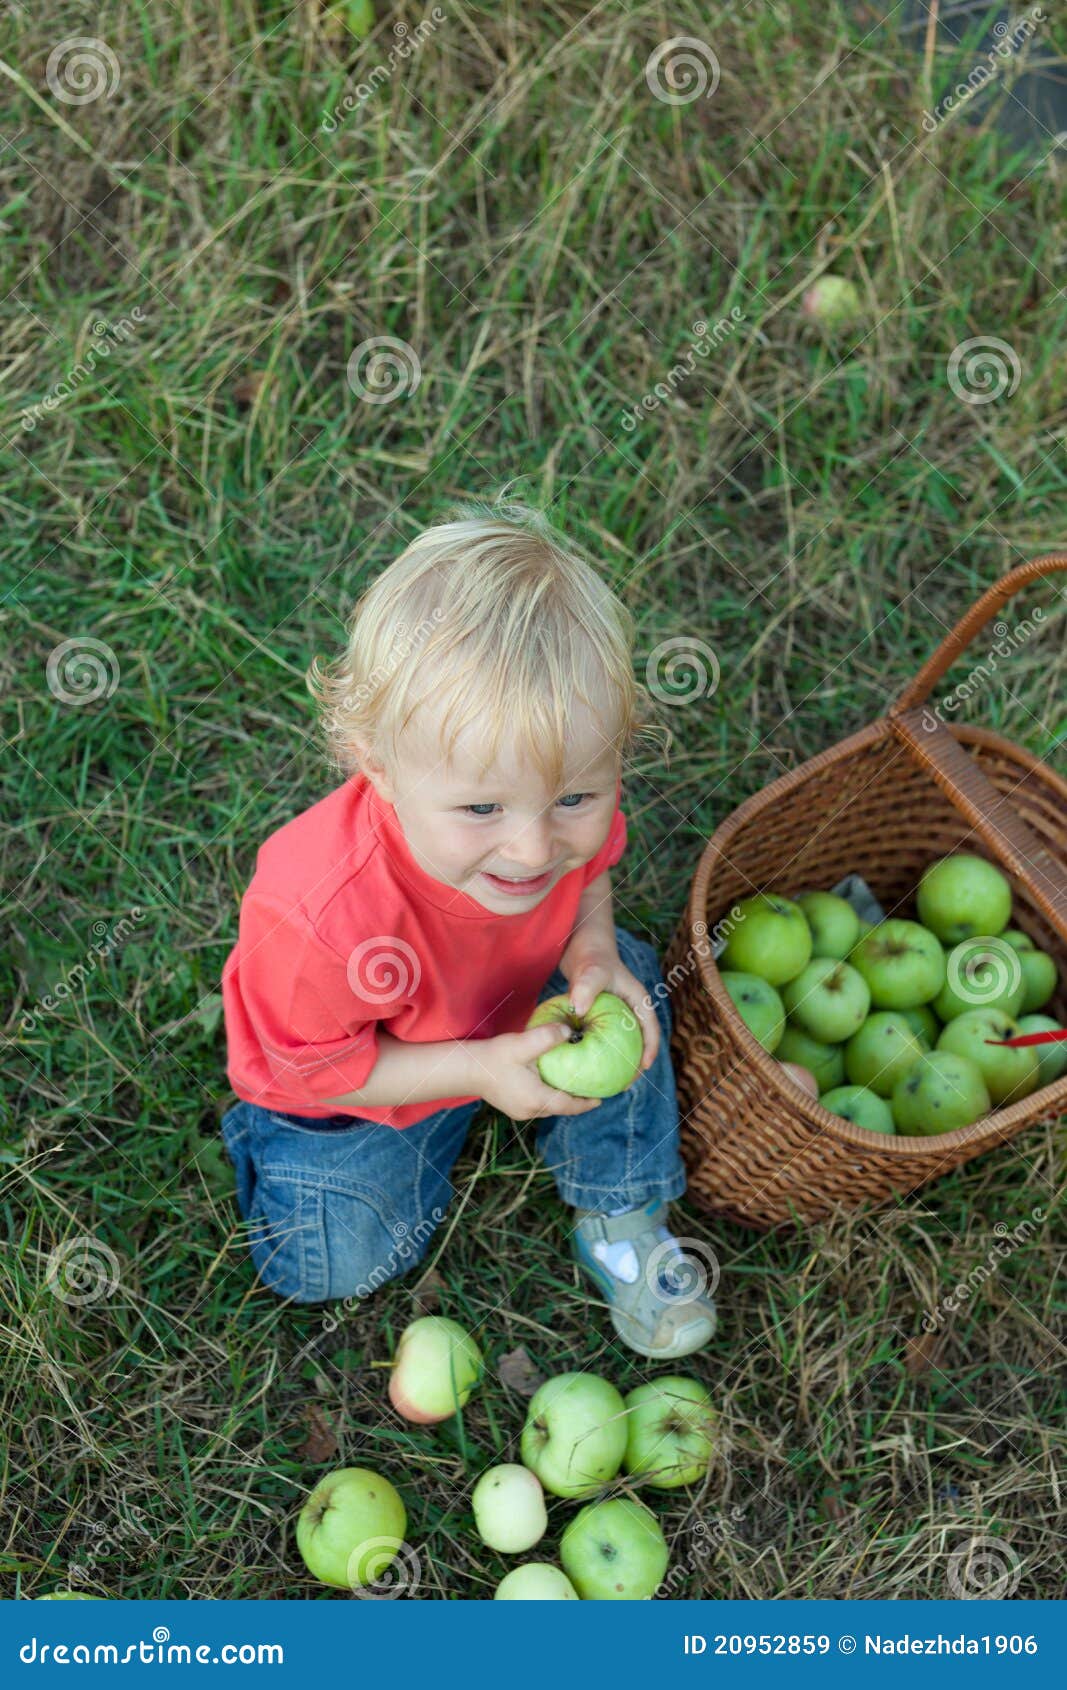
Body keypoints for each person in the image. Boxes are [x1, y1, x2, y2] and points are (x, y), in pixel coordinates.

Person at [219, 496, 716, 1359]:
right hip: (364, 1091)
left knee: (629, 998)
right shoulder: (319, 915)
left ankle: (620, 1208)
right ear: (375, 767)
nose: (531, 847)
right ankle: (276, 1153)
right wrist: (478, 1071)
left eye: (573, 798)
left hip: (517, 999)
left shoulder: (556, 804)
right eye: (481, 807)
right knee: (328, 1264)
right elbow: (321, 1068)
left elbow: (587, 872)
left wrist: (592, 948)